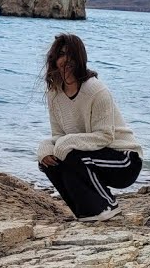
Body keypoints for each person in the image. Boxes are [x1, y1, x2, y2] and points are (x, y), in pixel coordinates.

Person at [37, 33, 143, 221]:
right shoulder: (54, 95)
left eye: (71, 54)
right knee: (48, 161)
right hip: (91, 156)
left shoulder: (95, 90)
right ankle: (84, 211)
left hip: (124, 160)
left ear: (80, 58)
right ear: (54, 60)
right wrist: (45, 146)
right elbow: (58, 136)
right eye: (61, 54)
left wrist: (67, 141)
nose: (66, 60)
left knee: (73, 156)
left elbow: (105, 136)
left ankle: (107, 204)